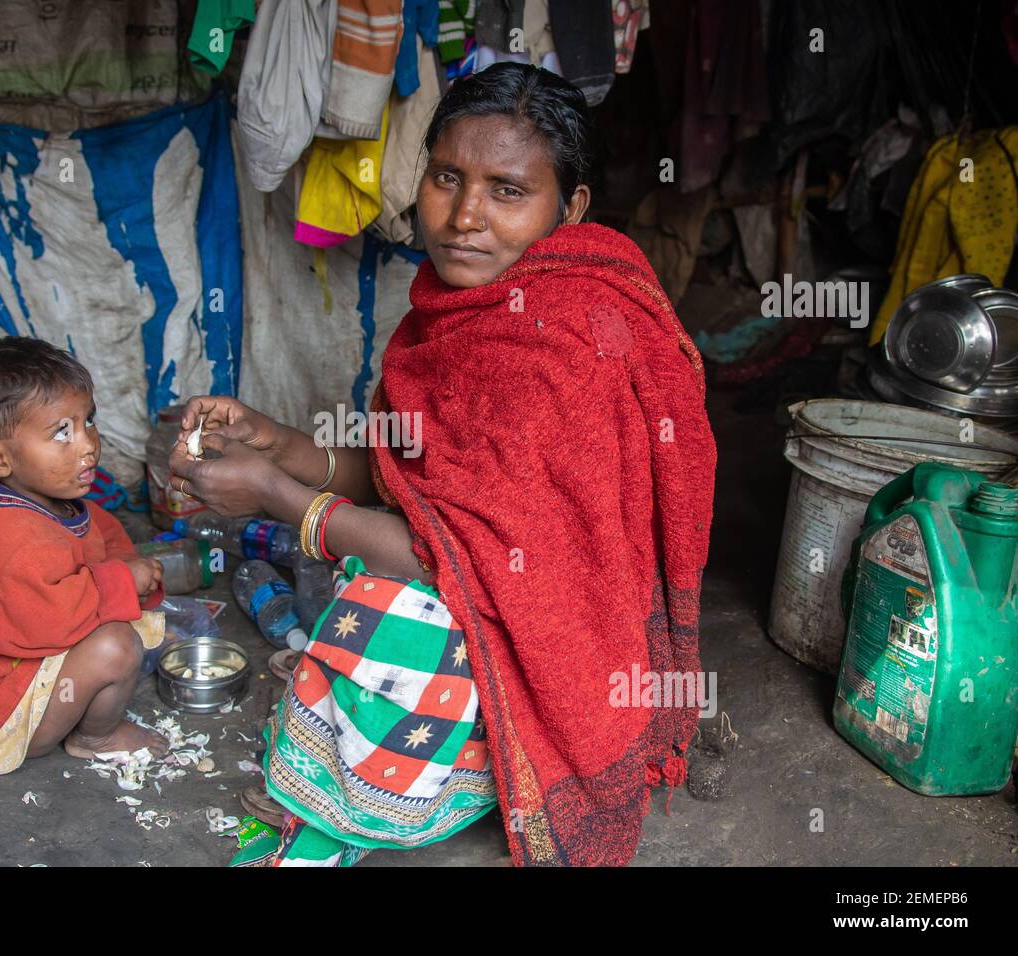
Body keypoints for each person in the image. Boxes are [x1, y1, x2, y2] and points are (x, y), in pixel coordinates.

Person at [169, 61, 717, 866]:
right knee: (364, 585)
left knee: (392, 615)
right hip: (501, 599)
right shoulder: (454, 310)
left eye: (507, 191)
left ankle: (395, 798)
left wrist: (275, 496)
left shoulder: (567, 339)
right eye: (447, 178)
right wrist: (276, 442)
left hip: (567, 646)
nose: (464, 217)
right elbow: (418, 484)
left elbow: (453, 559)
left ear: (570, 209)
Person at [0, 337, 168, 776]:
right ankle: (96, 737)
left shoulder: (53, 499)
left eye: (87, 420)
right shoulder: (15, 538)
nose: (87, 444)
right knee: (117, 646)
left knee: (118, 616)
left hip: (26, 660)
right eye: (61, 432)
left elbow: (102, 537)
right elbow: (42, 623)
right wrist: (121, 582)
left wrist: (128, 571)